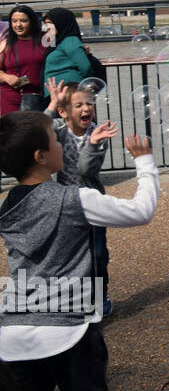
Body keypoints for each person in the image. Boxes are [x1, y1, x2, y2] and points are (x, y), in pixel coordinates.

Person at [0, 111, 158, 391]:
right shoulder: (74, 199)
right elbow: (141, 211)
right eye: (55, 141)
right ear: (41, 156)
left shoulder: (7, 205)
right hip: (70, 329)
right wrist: (144, 163)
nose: (61, 144)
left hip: (15, 332)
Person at [43, 79, 118, 312]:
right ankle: (74, 297)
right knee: (69, 254)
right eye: (79, 105)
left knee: (97, 254)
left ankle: (100, 292)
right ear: (65, 113)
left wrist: (94, 144)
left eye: (89, 103)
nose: (86, 108)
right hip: (66, 204)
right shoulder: (58, 129)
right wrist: (52, 105)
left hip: (92, 204)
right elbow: (35, 128)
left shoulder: (98, 134)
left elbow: (87, 170)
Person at [0, 5, 47, 114]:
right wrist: (7, 77)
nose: (18, 25)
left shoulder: (46, 40)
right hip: (12, 99)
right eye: (14, 21)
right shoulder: (6, 44)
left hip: (39, 98)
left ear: (32, 21)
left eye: (23, 21)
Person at [40, 8, 91, 97]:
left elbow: (85, 67)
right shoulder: (57, 42)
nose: (48, 27)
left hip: (67, 92)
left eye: (51, 23)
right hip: (57, 93)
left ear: (61, 23)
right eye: (47, 24)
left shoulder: (70, 41)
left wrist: (72, 83)